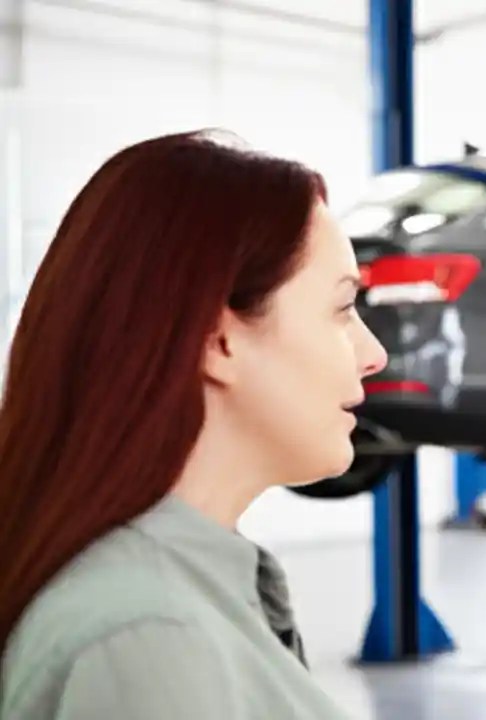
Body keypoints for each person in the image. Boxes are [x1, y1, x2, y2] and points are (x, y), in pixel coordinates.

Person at [0, 130, 387, 719]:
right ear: (218, 338)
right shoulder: (151, 641)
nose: (373, 353)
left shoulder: (178, 597)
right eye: (341, 310)